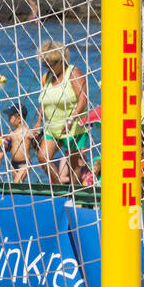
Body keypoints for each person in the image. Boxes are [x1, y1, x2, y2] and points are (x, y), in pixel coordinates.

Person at [31, 42, 89, 184]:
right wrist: (38, 122)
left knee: (73, 167)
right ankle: (60, 190)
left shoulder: (74, 73)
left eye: (51, 64)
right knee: (42, 158)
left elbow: (83, 99)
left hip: (74, 127)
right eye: (45, 64)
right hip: (52, 127)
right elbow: (44, 101)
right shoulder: (47, 77)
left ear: (61, 60)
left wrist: (71, 119)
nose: (48, 67)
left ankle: (75, 196)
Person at [0, 103, 35, 183]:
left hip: (25, 163)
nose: (8, 120)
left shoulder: (28, 132)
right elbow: (5, 147)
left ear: (19, 119)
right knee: (18, 185)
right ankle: (22, 195)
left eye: (10, 117)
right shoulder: (11, 133)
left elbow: (36, 144)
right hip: (13, 164)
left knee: (16, 182)